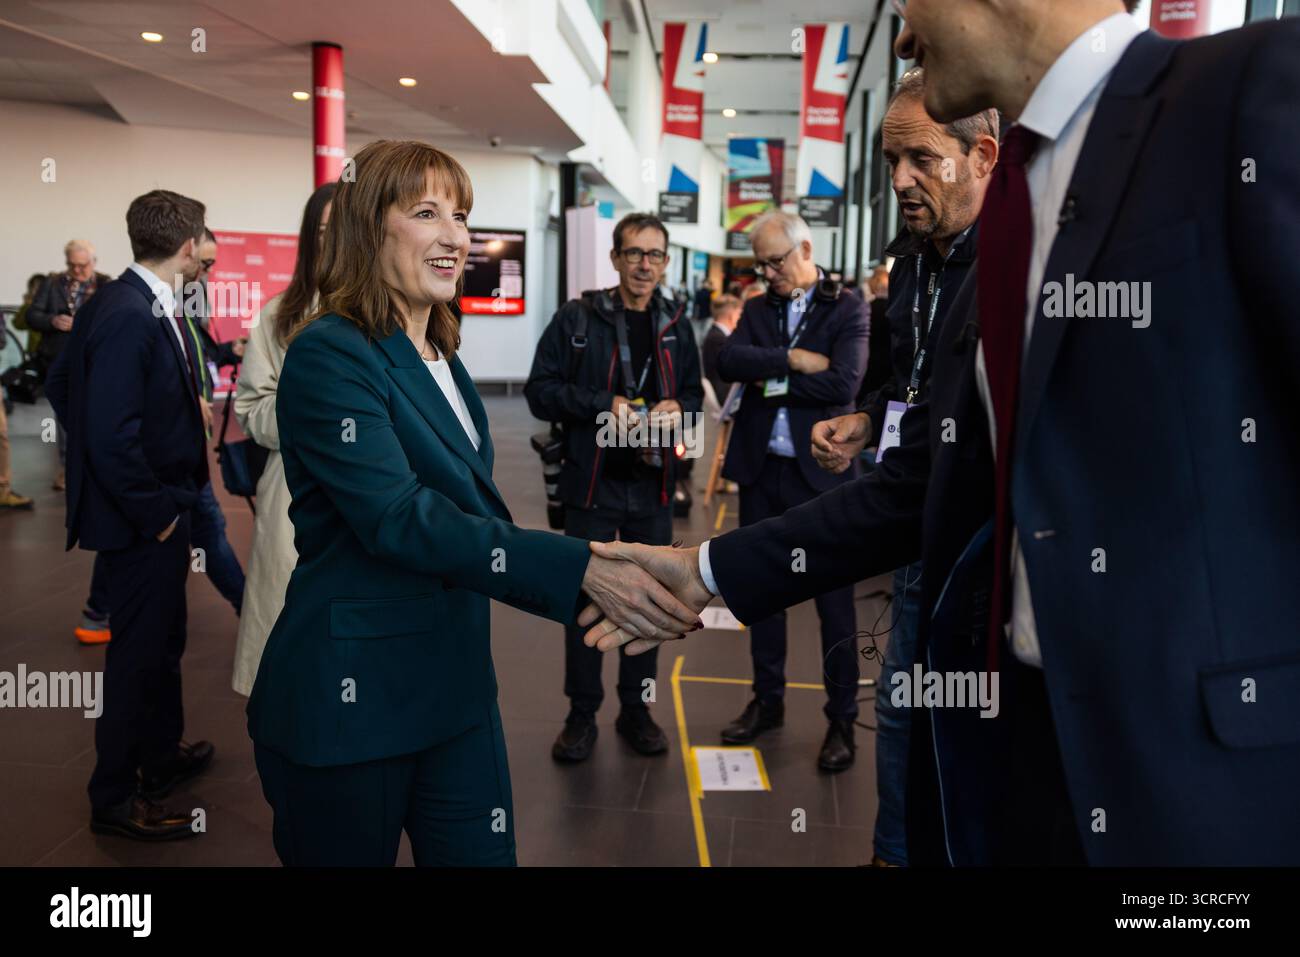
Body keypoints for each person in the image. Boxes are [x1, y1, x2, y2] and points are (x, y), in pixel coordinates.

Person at [582, 0, 1300, 867]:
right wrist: (705, 571)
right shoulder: (990, 242)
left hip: (1211, 803)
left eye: (911, 4)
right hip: (1013, 773)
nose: (908, 35)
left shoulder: (1251, 95)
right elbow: (918, 483)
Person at [247, 140, 701, 867]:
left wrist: (612, 577)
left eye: (461, 215)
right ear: (370, 226)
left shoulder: (444, 358)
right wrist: (582, 568)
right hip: (352, 695)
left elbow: (472, 520)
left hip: (455, 684)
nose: (456, 235)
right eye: (427, 212)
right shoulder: (331, 352)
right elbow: (398, 518)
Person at [812, 66, 998, 866]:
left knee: (969, 722)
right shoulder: (913, 263)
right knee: (897, 707)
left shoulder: (1022, 265)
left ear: (983, 155)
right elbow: (902, 381)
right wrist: (864, 416)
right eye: (892, 163)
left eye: (921, 159)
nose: (900, 180)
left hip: (984, 554)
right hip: (909, 528)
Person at [45, 190, 215, 841]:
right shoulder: (131, 314)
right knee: (136, 659)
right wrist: (159, 515)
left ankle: (160, 756)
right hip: (147, 521)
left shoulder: (129, 301)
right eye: (204, 236)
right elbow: (113, 434)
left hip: (156, 513)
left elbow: (65, 388)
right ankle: (114, 796)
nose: (206, 248)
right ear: (186, 243)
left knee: (162, 643)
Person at [524, 212, 703, 763]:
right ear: (615, 258)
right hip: (593, 483)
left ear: (667, 262)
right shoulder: (578, 318)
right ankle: (581, 714)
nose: (644, 265)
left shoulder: (677, 323)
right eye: (634, 253)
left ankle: (637, 709)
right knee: (585, 599)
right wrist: (604, 406)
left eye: (655, 255)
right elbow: (539, 392)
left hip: (652, 487)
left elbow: (695, 395)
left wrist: (681, 407)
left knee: (653, 599)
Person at [714, 210, 869, 771]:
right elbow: (727, 359)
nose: (766, 272)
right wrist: (791, 359)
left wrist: (771, 377)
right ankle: (767, 702)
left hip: (822, 478)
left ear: (805, 248)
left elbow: (845, 381)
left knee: (835, 608)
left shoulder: (846, 305)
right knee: (761, 596)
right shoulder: (757, 308)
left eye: (774, 261)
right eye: (759, 263)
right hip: (762, 473)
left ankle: (842, 721)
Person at [231, 182, 335, 696]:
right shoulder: (279, 314)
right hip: (295, 487)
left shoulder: (395, 313)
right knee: (291, 631)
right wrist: (314, 418)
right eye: (324, 231)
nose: (336, 241)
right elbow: (250, 407)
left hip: (381, 493)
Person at [179, 228, 245, 617]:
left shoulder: (190, 298)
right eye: (204, 264)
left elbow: (199, 359)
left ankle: (96, 610)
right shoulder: (152, 306)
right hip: (175, 447)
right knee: (208, 526)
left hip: (188, 442)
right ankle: (248, 607)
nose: (206, 273)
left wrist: (227, 351)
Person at [25, 240, 110, 491]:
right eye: (72, 265)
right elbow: (32, 315)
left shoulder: (107, 285)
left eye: (82, 266)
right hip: (60, 359)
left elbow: (115, 318)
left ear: (94, 262)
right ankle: (66, 466)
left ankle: (96, 464)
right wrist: (52, 320)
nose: (77, 271)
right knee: (63, 415)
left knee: (98, 412)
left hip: (96, 359)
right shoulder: (52, 284)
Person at [701, 293, 740, 406]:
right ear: (732, 315)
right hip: (723, 397)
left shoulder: (717, 335)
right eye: (739, 314)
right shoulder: (718, 338)